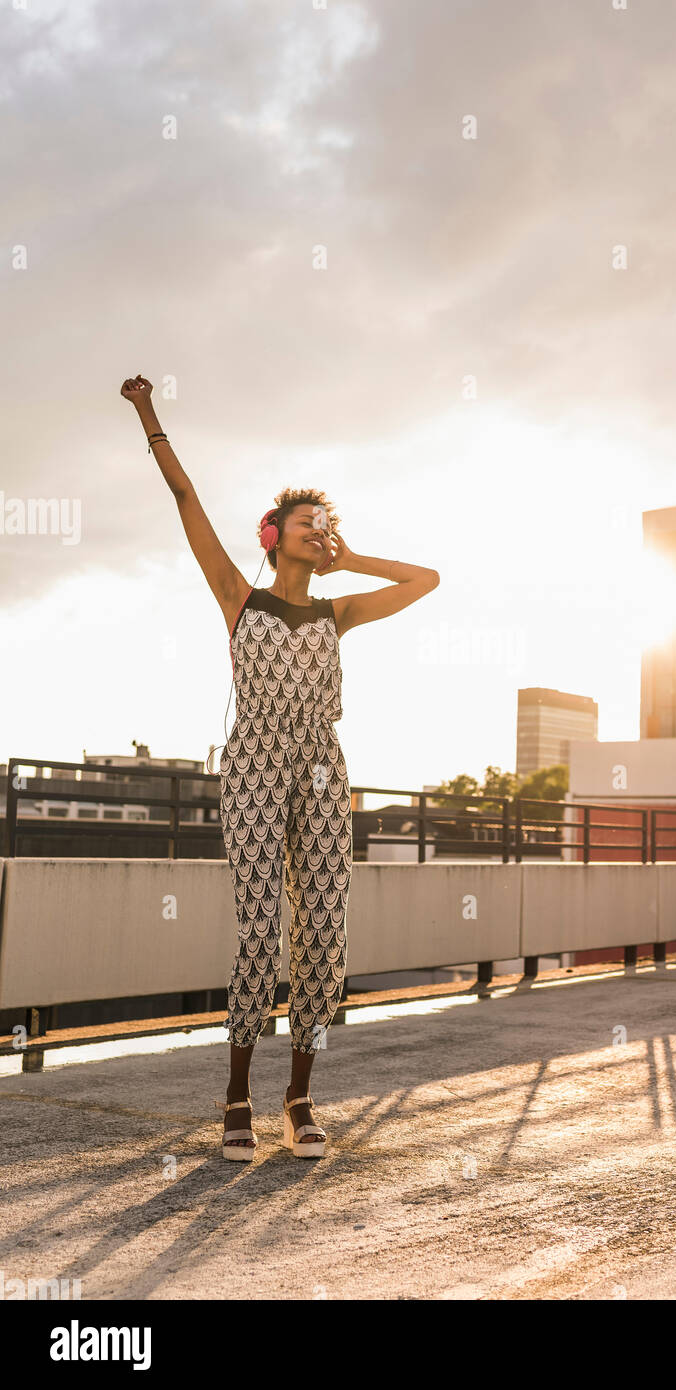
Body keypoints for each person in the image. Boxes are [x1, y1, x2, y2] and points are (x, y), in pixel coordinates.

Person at [120, 374, 439, 1158]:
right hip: (258, 758)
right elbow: (186, 501)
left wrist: (353, 557)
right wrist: (148, 413)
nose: (317, 529)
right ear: (273, 533)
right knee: (261, 926)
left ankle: (300, 1098)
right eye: (306, 521)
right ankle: (236, 1097)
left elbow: (425, 581)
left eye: (324, 523)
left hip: (325, 766)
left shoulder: (339, 610)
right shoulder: (239, 598)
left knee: (325, 930)